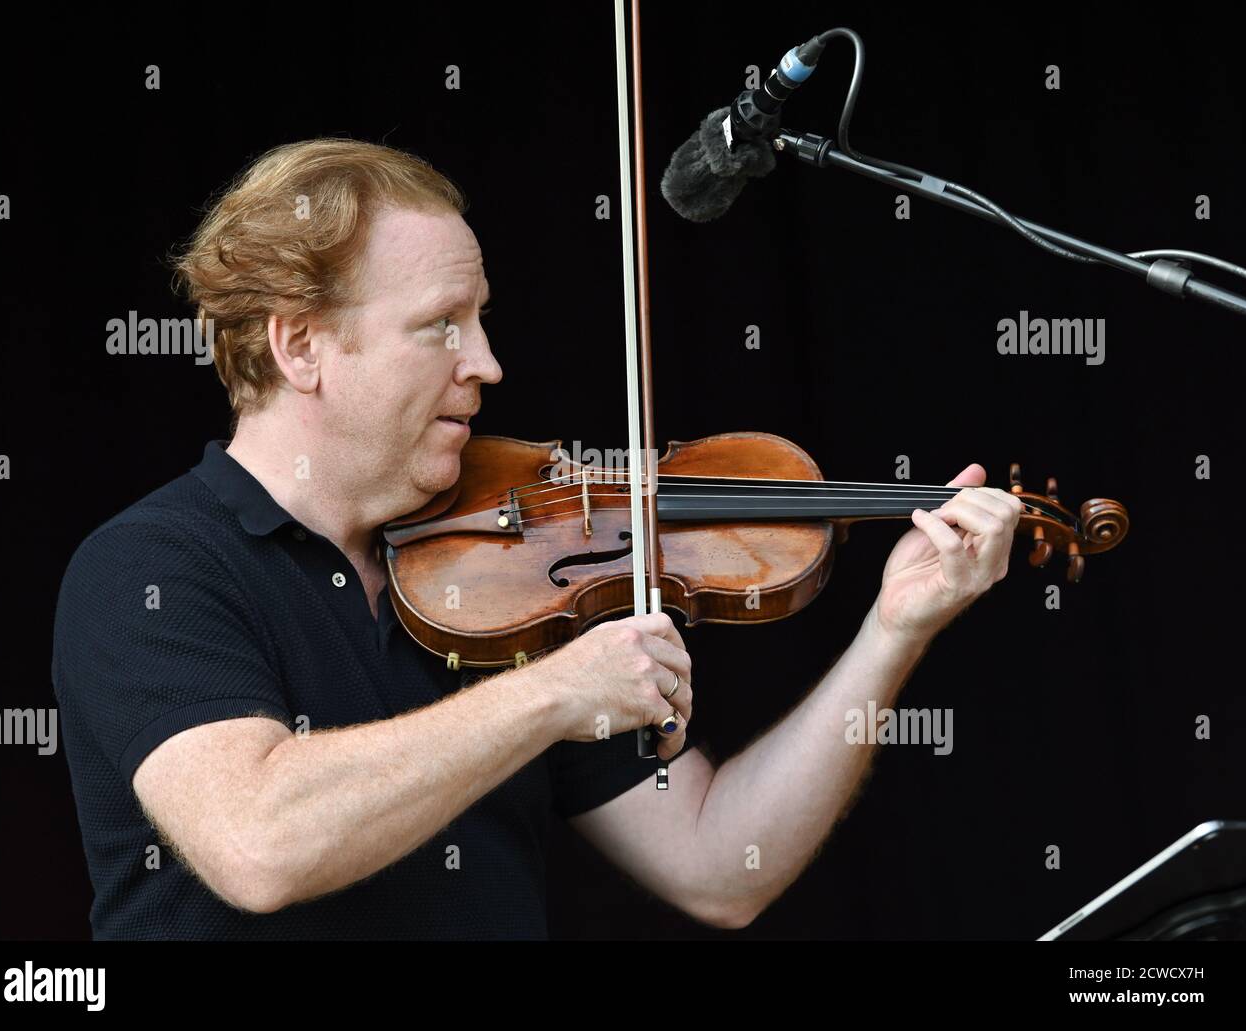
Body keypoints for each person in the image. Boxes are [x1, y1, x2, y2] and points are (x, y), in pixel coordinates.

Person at [51, 138, 1022, 939]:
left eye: (481, 320)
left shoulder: (502, 582)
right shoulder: (151, 569)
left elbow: (719, 861)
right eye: (440, 325)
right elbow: (258, 842)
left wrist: (894, 628)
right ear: (300, 344)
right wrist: (554, 691)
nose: (487, 362)